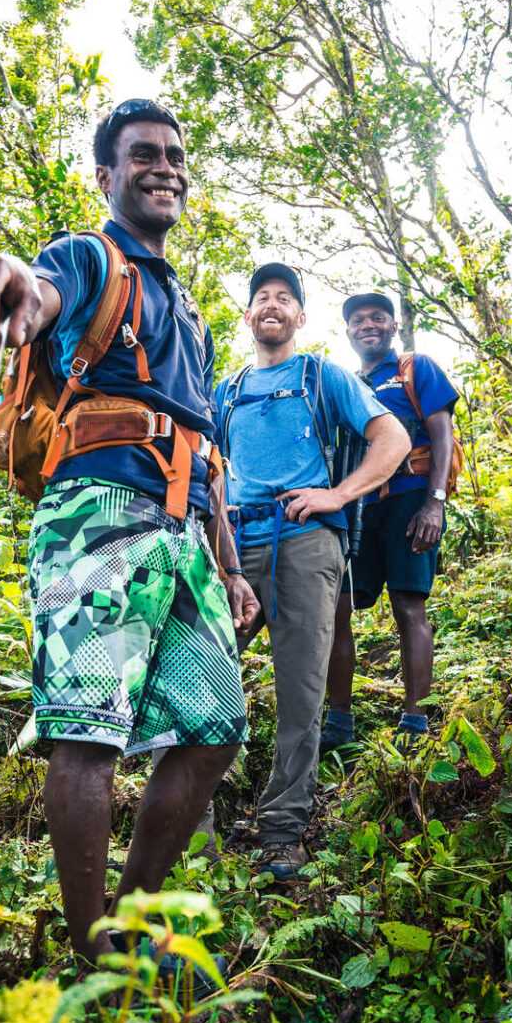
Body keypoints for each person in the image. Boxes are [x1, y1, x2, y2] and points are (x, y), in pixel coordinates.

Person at [0, 99, 260, 965]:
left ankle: (128, 918)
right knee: (88, 729)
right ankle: (92, 957)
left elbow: (209, 451)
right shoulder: (89, 257)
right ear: (108, 176)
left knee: (215, 728)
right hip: (96, 513)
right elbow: (38, 295)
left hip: (186, 530)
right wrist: (7, 277)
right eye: (144, 155)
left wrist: (229, 565)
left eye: (174, 155)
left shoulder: (188, 311)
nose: (165, 167)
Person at [213, 265, 410, 881]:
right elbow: (209, 470)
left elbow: (394, 439)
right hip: (233, 547)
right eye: (261, 298)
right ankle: (196, 821)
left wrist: (336, 494)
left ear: (300, 318)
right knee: (202, 676)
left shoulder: (322, 377)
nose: (272, 305)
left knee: (301, 692)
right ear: (248, 317)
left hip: (304, 544)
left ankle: (282, 829)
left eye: (285, 299)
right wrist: (217, 546)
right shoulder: (225, 390)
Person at [321, 292, 459, 754]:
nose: (368, 325)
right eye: (357, 320)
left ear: (393, 326)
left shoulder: (414, 370)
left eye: (377, 317)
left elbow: (442, 433)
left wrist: (434, 503)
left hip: (408, 498)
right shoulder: (346, 382)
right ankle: (339, 721)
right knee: (338, 607)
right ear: (348, 332)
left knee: (408, 606)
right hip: (358, 506)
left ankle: (415, 721)